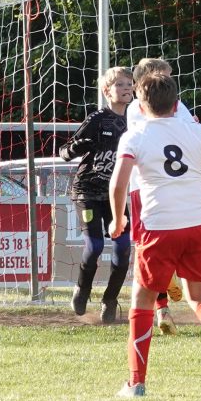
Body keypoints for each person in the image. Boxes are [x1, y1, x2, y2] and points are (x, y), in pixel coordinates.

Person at [108, 69, 201, 398]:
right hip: (198, 224)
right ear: (176, 104)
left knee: (143, 300)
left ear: (141, 106)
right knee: (200, 296)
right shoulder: (195, 130)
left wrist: (118, 219)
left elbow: (118, 183)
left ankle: (136, 382)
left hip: (159, 225)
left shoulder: (135, 136)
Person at [125, 56, 194, 334]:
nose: (171, 82)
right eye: (166, 75)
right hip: (146, 186)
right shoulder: (135, 109)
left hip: (168, 186)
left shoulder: (178, 107)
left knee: (163, 244)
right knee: (148, 250)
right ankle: (161, 310)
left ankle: (168, 286)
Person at [62, 66, 135, 322]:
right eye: (120, 84)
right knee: (95, 246)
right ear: (107, 91)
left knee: (124, 247)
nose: (126, 88)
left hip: (115, 195)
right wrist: (75, 149)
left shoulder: (135, 120)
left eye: (129, 84)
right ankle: (82, 289)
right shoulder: (97, 119)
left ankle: (110, 299)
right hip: (87, 191)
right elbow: (64, 151)